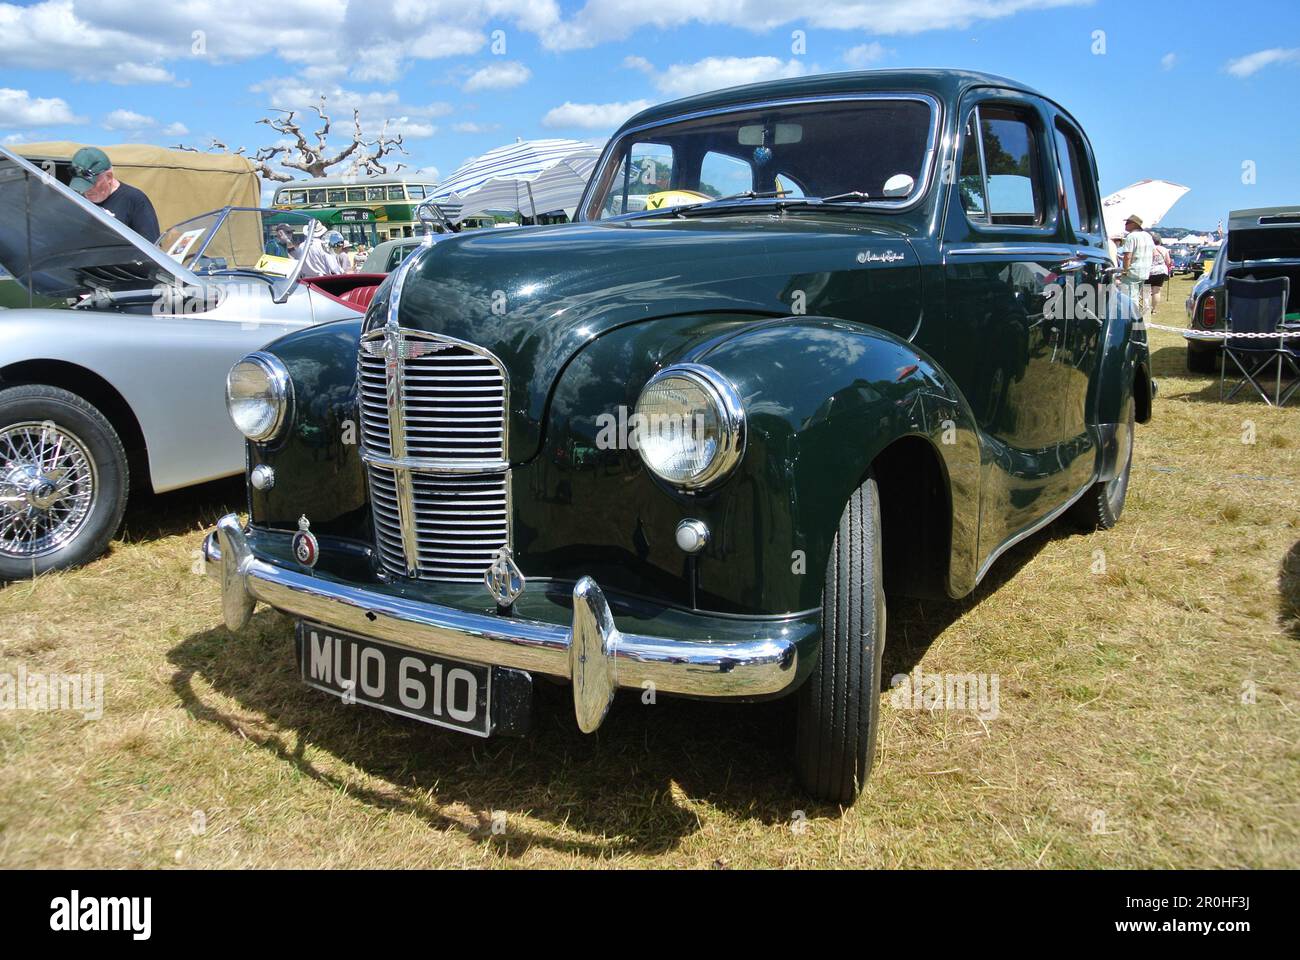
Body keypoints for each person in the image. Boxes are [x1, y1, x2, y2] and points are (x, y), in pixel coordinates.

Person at [68, 146, 160, 243]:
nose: (86, 190)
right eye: (81, 185)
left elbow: (151, 245)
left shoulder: (134, 200)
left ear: (109, 177)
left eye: (92, 184)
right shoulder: (78, 198)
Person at [1118, 213, 1154, 320]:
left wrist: (1124, 270)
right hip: (1144, 271)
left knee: (1129, 297)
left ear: (1134, 225)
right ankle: (1137, 316)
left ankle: (1131, 319)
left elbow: (1127, 256)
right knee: (1137, 296)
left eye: (1128, 222)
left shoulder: (1131, 237)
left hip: (1132, 271)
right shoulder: (1148, 236)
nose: (1125, 224)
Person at [1146, 234, 1173, 313]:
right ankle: (1154, 309)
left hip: (1149, 271)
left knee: (1146, 291)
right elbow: (1168, 262)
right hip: (1160, 271)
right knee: (1156, 291)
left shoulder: (1148, 249)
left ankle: (1145, 308)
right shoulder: (1164, 249)